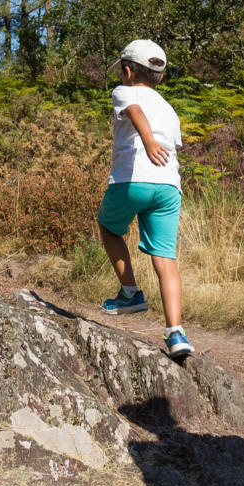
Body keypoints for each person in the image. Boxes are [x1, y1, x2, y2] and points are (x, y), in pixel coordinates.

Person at [97, 39, 192, 359]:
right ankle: (176, 333)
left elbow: (134, 111)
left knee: (109, 228)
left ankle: (130, 294)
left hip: (132, 180)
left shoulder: (124, 92)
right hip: (168, 188)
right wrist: (156, 143)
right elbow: (175, 146)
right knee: (165, 259)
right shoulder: (169, 108)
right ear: (160, 77)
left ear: (126, 70)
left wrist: (147, 141)